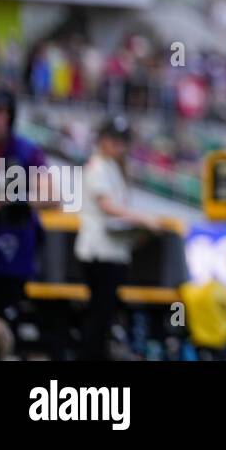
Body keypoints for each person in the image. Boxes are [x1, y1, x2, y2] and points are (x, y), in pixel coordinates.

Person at [73, 116, 160, 360]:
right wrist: (142, 219)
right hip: (99, 252)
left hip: (113, 251)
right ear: (102, 140)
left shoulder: (114, 167)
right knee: (99, 315)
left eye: (122, 140)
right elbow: (107, 206)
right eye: (113, 139)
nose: (118, 145)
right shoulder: (99, 166)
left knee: (105, 314)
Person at [0, 86, 54, 359]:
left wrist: (11, 200)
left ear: (10, 117)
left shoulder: (26, 152)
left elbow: (52, 196)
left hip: (12, 253)